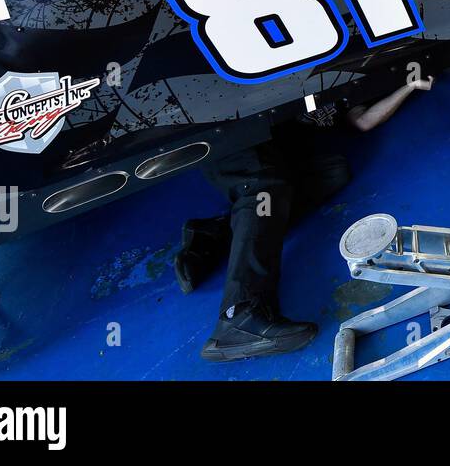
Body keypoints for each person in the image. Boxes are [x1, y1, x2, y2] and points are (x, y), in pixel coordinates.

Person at [175, 76, 432, 362]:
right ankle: (241, 315)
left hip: (273, 146)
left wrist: (410, 84)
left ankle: (218, 234)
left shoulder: (360, 76)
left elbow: (364, 121)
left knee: (332, 172)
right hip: (231, 122)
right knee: (264, 188)